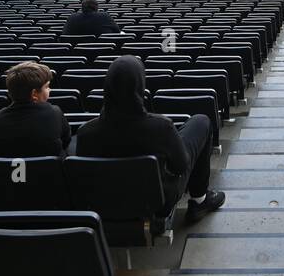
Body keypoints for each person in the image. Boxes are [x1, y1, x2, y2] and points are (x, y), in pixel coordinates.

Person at [74, 57, 225, 223]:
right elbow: (181, 166)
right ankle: (199, 201)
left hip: (104, 203)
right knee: (201, 121)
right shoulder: (160, 127)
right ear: (140, 86)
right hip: (159, 203)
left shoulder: (85, 133)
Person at [0, 62, 72, 158]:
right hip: (48, 171)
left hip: (9, 172)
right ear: (34, 94)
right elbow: (66, 141)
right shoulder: (54, 112)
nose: (49, 90)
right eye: (47, 86)